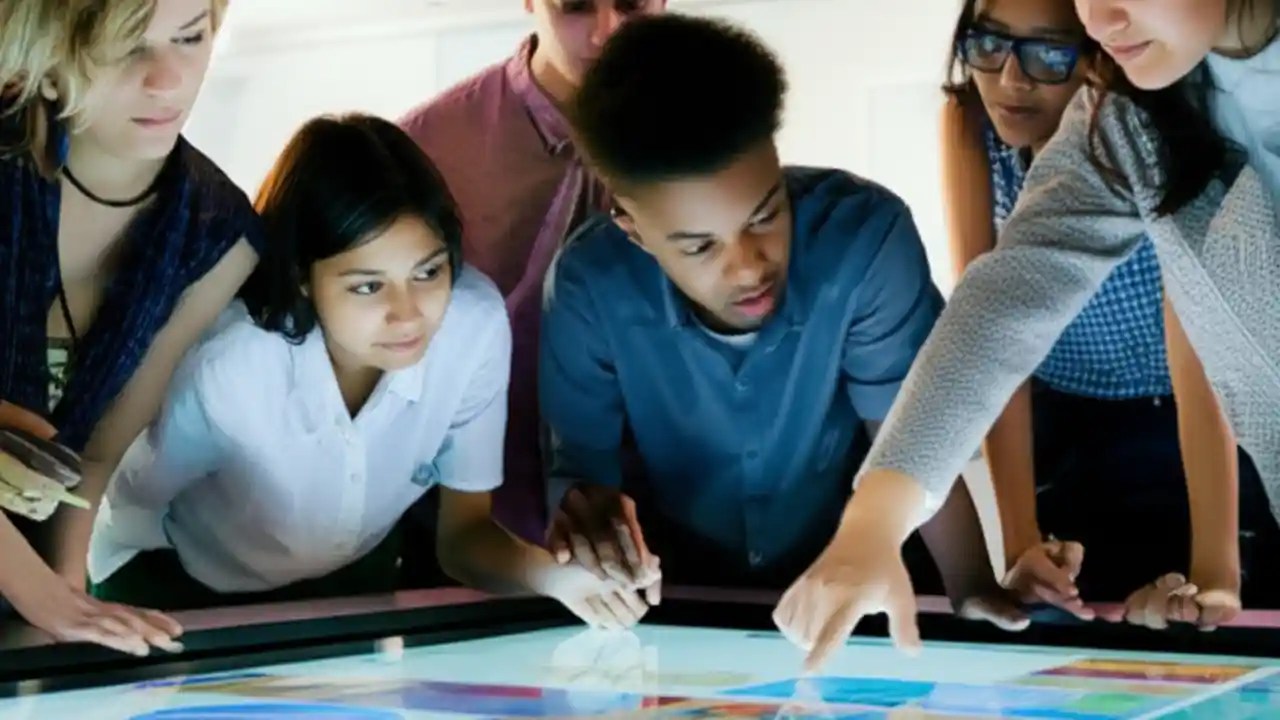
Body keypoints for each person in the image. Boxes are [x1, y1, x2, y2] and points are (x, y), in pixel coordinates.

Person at [777, 0, 1280, 668]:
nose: (1099, 20)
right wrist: (876, 518)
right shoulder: (1126, 114)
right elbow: (1003, 303)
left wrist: (1219, 563)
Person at [538, 13, 1047, 629]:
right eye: (700, 246)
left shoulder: (865, 241)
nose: (749, 266)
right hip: (681, 595)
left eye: (764, 215)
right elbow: (582, 475)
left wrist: (970, 588)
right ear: (633, 230)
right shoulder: (589, 285)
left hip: (862, 569)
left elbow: (910, 433)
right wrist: (592, 526)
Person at [86, 114, 649, 630]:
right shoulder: (233, 364)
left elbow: (463, 537)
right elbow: (124, 506)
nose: (407, 313)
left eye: (428, 272)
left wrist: (556, 578)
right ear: (303, 276)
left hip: (355, 579)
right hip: (185, 586)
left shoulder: (472, 326)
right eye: (367, 286)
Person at [939, 0, 1280, 619]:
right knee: (1068, 607)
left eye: (1048, 55)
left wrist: (1216, 568)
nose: (1011, 81)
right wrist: (1019, 541)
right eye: (988, 45)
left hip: (1193, 414)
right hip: (1068, 420)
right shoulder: (971, 125)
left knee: (1215, 607)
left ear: (1101, 61)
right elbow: (993, 320)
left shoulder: (1145, 120)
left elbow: (1198, 353)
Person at [0, 0, 260, 655]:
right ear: (49, 66)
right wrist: (43, 595)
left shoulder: (218, 232)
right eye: (125, 47)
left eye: (190, 37)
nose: (167, 78)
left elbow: (97, 454)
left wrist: (65, 606)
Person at [396, 0, 667, 567]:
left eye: (633, 5)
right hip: (456, 535)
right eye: (575, 6)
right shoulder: (422, 149)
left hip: (656, 536)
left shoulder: (710, 138)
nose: (607, 33)